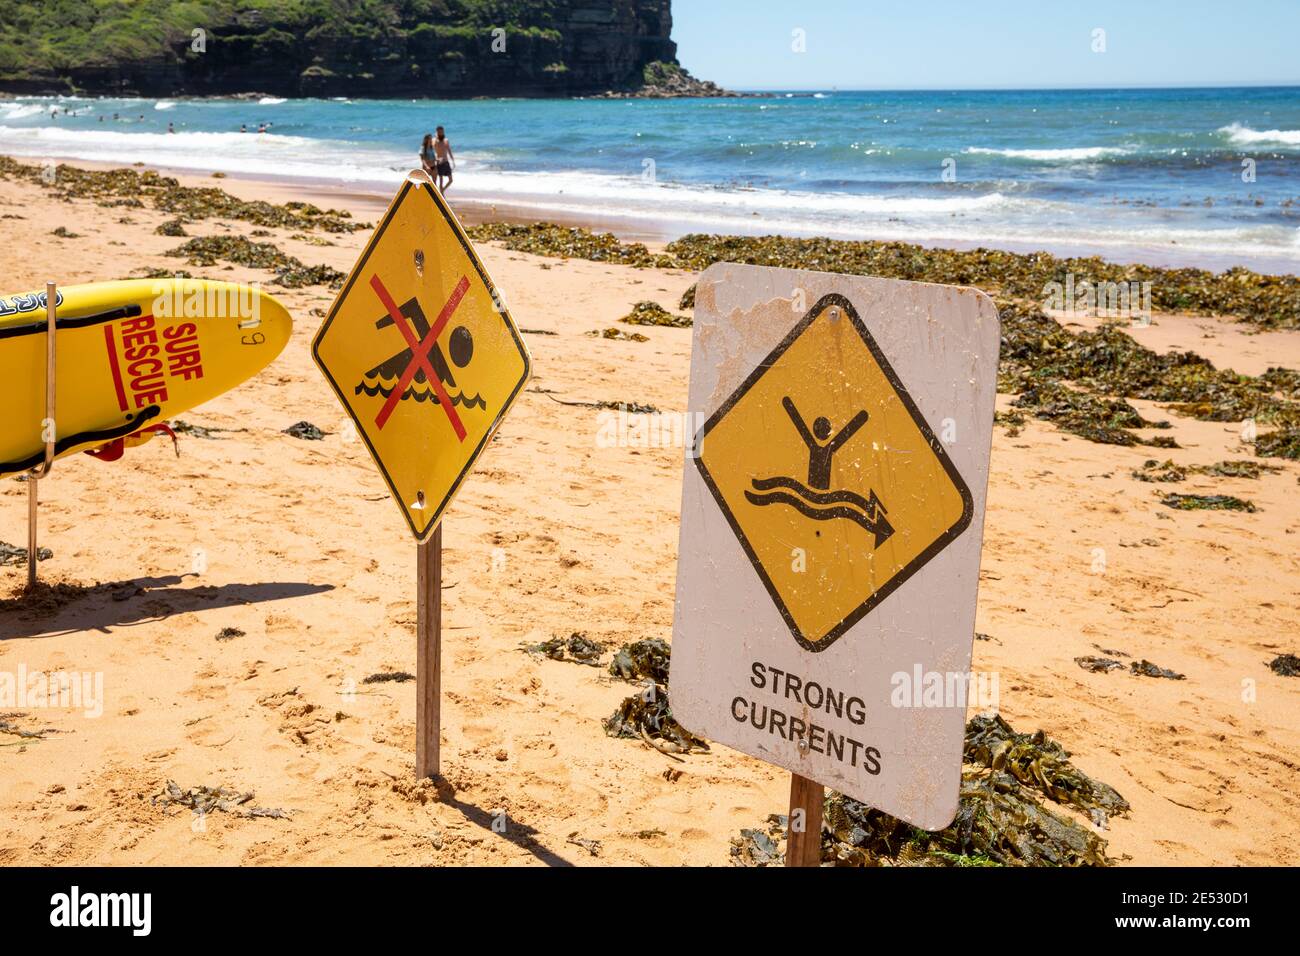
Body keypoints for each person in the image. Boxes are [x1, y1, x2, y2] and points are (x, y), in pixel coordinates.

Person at [432, 126, 455, 192]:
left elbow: (449, 150)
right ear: (437, 132)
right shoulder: (434, 140)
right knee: (441, 181)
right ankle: (441, 194)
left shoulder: (446, 140)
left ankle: (442, 191)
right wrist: (435, 159)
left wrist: (453, 160)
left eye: (442, 131)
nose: (441, 133)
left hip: (446, 162)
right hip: (439, 162)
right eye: (439, 132)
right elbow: (432, 150)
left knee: (451, 180)